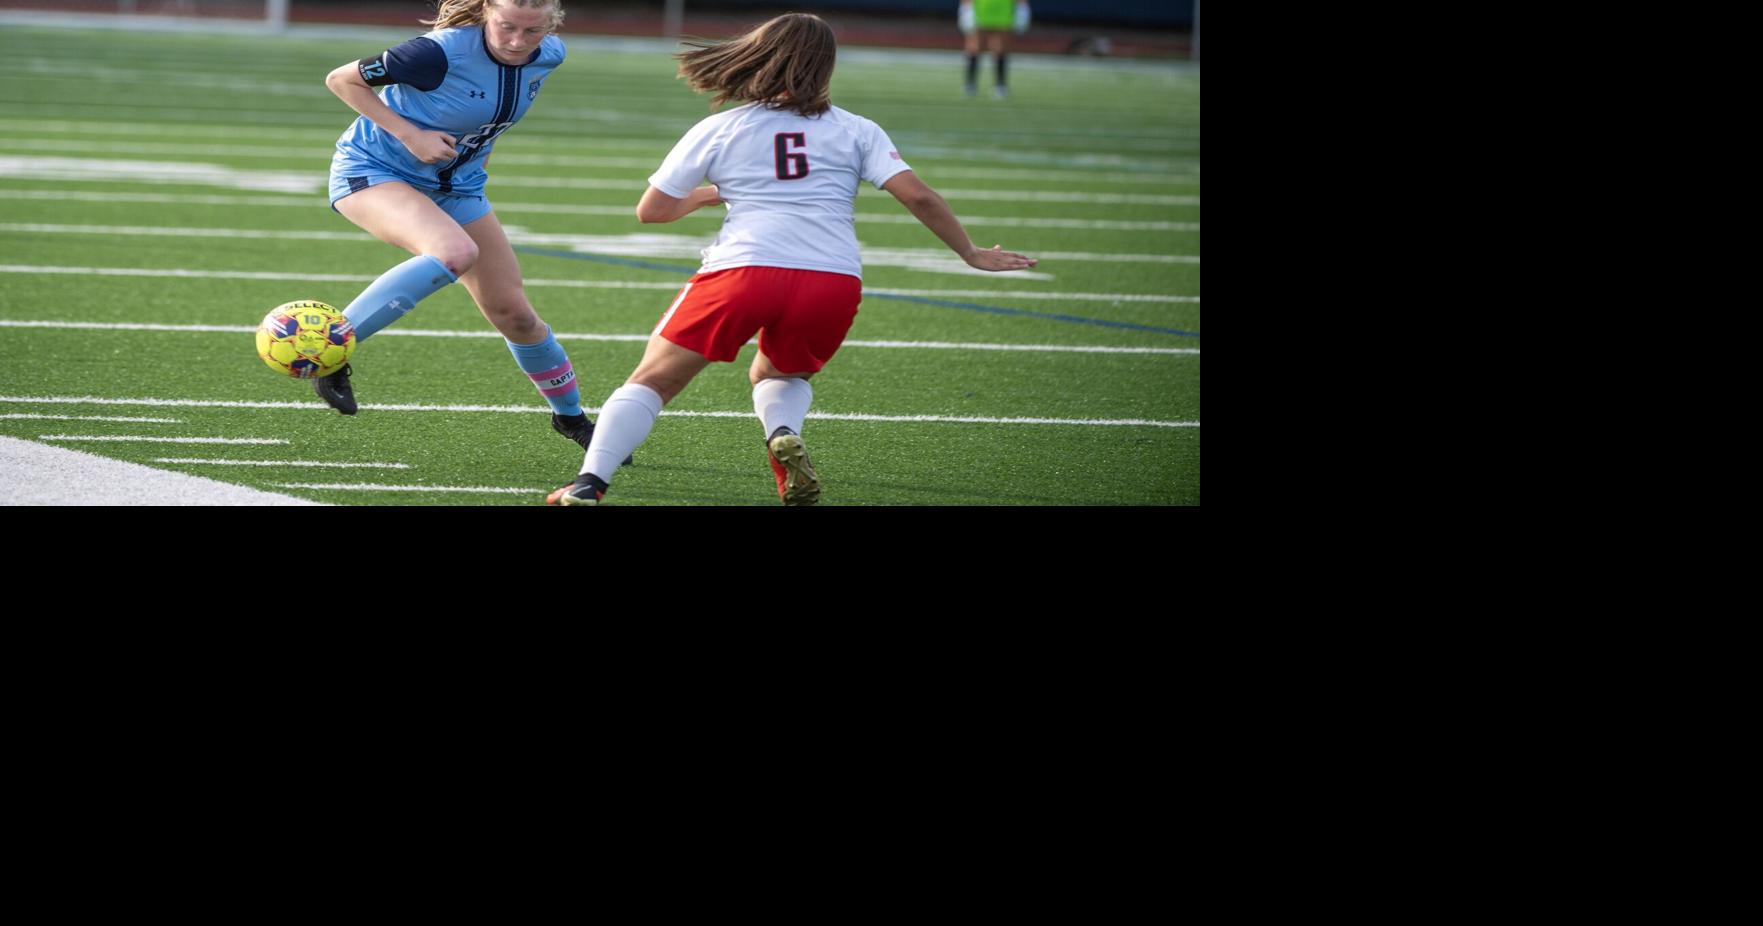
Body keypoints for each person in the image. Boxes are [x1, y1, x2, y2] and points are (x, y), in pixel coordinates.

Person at [547, 12, 1037, 507]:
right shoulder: (858, 129)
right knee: (780, 375)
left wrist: (709, 195)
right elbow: (921, 197)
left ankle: (590, 483)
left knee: (652, 380)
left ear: (756, 57)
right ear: (825, 67)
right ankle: (781, 429)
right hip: (832, 280)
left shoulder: (721, 127)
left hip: (743, 271)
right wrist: (970, 253)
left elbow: (652, 211)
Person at [315, 0, 607, 457]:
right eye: (505, 26)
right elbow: (340, 79)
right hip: (374, 171)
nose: (515, 41)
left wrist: (475, 163)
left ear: (551, 25)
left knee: (517, 315)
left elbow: (490, 119)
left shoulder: (550, 55)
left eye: (530, 31)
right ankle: (330, 349)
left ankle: (571, 419)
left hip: (459, 186)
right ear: (487, 13)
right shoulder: (436, 53)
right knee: (454, 252)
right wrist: (411, 135)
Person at [960, 0, 1030, 98]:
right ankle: (970, 84)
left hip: (1003, 14)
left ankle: (1000, 86)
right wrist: (966, 10)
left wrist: (1023, 11)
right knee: (974, 48)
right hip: (980, 13)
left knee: (1000, 50)